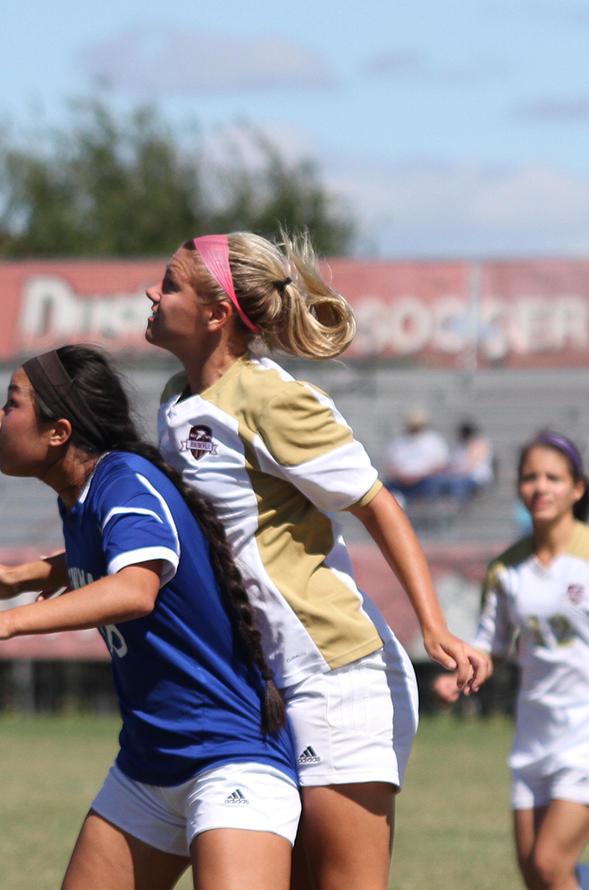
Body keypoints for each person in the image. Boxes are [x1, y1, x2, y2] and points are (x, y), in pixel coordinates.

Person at [144, 232, 490, 889]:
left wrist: (435, 627)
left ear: (218, 313)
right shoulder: (174, 400)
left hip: (336, 678)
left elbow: (378, 505)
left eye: (170, 283)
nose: (152, 294)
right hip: (254, 689)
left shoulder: (273, 398)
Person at [0, 345, 298, 890]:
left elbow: (135, 588)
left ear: (59, 432)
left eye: (11, 405)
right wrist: (21, 578)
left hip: (229, 759)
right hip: (148, 766)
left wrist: (11, 621)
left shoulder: (122, 479)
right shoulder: (82, 493)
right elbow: (105, 558)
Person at [434, 432, 589, 890]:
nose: (540, 487)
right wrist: (461, 674)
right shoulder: (506, 569)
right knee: (537, 874)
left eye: (553, 477)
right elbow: (491, 645)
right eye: (530, 477)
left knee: (550, 864)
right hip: (535, 734)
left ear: (577, 488)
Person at [384, 409, 450, 503]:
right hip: (401, 481)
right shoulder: (400, 442)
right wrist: (403, 477)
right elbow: (391, 466)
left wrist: (418, 476)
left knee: (435, 483)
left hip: (425, 480)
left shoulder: (434, 441)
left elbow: (440, 466)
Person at [445, 420, 495, 504]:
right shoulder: (459, 445)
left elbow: (472, 464)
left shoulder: (480, 443)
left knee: (460, 483)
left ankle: (460, 502)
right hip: (460, 475)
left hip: (477, 476)